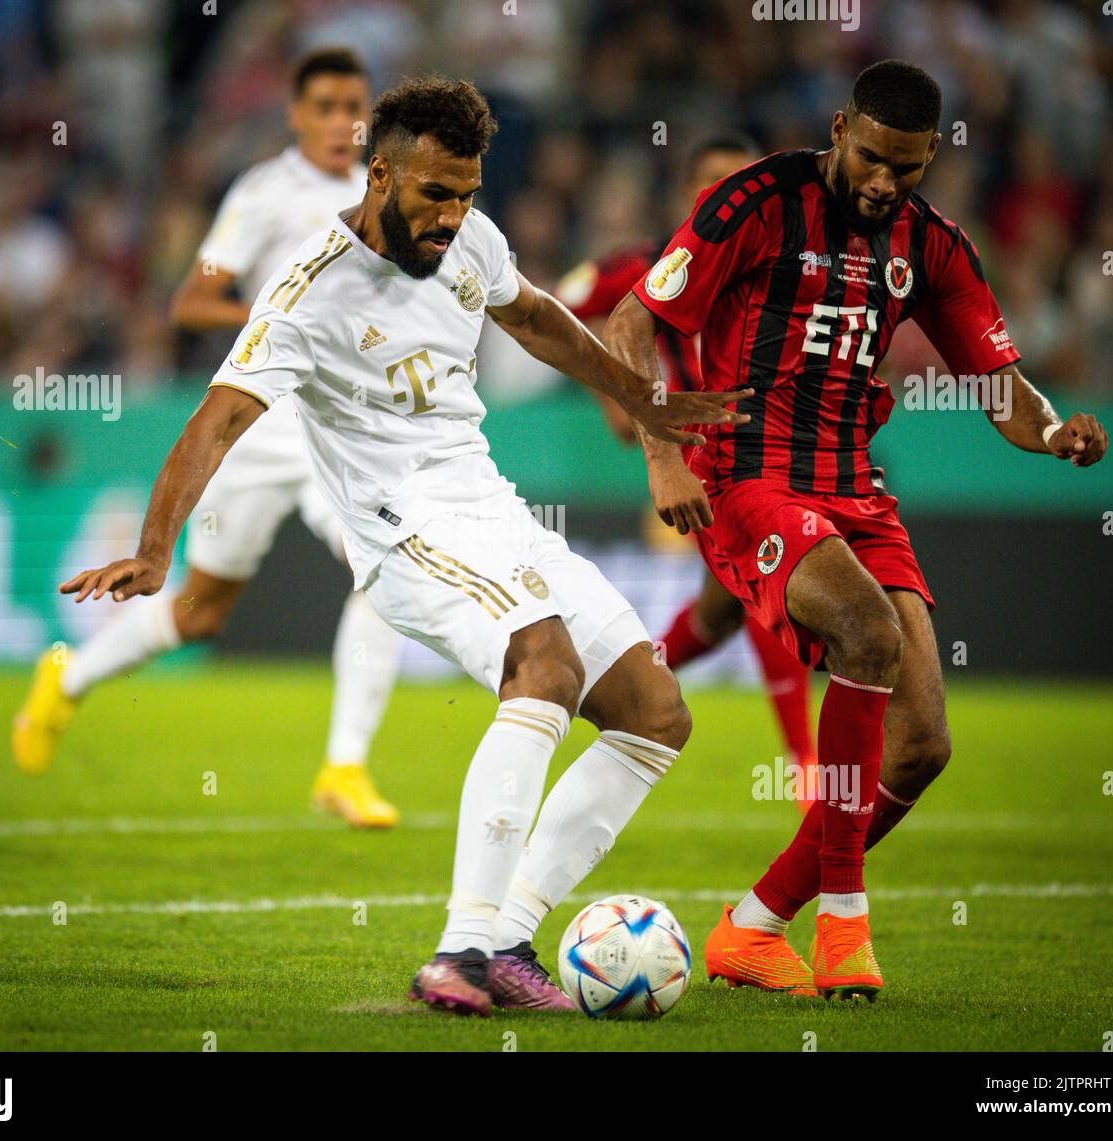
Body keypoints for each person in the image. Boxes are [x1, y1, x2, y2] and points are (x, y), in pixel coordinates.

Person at [58, 77, 747, 1016]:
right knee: (541, 664)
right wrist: (155, 547)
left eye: (466, 192)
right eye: (434, 194)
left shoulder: (473, 238)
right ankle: (460, 953)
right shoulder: (309, 287)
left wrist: (646, 401)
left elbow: (540, 319)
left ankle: (508, 940)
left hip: (492, 510)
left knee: (654, 713)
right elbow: (217, 419)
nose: (453, 215)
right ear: (380, 173)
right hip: (402, 532)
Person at [605, 59, 1108, 999]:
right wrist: (662, 451)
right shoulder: (754, 201)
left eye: (907, 169)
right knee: (867, 630)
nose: (885, 183)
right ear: (839, 128)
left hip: (854, 487)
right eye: (873, 158)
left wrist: (1053, 432)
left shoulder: (933, 244)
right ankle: (844, 921)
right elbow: (634, 321)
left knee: (923, 748)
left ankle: (752, 926)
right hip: (747, 472)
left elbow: (999, 387)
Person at [13, 49, 405, 829]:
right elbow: (191, 303)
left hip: (340, 428)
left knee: (384, 573)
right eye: (323, 106)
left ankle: (344, 764)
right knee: (199, 613)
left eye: (352, 107)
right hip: (259, 426)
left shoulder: (388, 196)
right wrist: (281, 327)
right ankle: (67, 677)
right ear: (294, 114)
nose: (339, 122)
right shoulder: (264, 193)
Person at [558, 133, 817, 806]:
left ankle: (616, 690)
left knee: (722, 609)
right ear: (687, 197)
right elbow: (558, 307)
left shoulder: (795, 269)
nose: (730, 195)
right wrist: (612, 390)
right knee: (769, 574)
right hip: (707, 457)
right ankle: (807, 764)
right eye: (713, 182)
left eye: (744, 181)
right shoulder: (651, 267)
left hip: (782, 448)